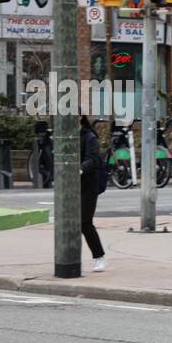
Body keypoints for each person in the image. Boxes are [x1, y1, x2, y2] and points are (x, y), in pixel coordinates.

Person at [79, 116, 108, 272]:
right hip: (71, 184)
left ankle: (99, 257)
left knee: (84, 222)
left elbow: (93, 159)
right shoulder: (66, 136)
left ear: (79, 118)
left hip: (89, 184)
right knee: (70, 222)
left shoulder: (89, 137)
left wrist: (80, 168)